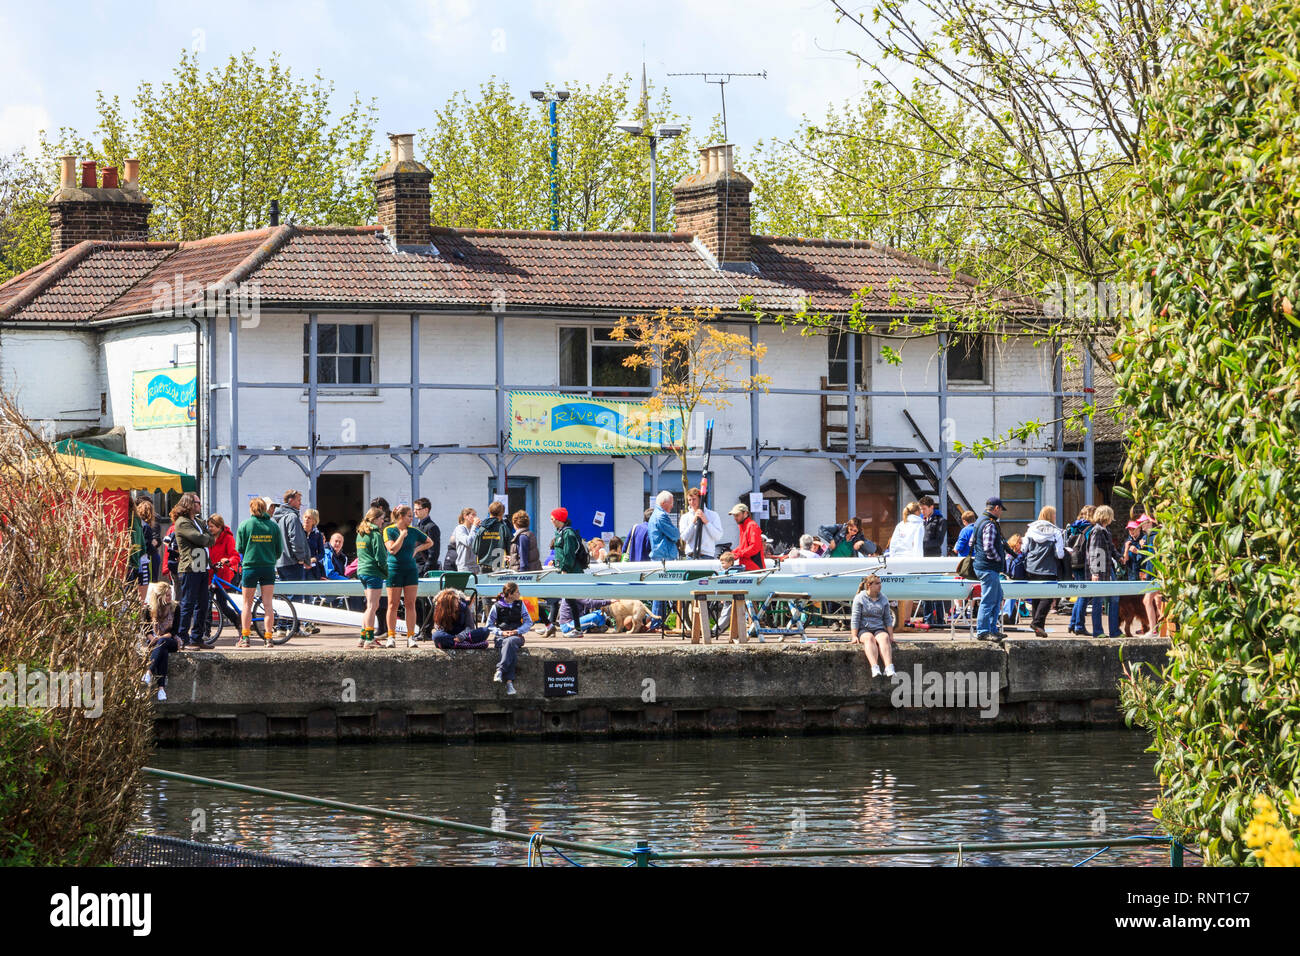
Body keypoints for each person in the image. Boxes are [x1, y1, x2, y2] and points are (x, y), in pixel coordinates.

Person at [234, 498, 282, 648]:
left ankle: (246, 638)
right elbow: (279, 550)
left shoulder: (244, 525)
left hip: (250, 568)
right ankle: (268, 638)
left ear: (251, 509)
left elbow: (239, 548)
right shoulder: (273, 527)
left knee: (247, 604)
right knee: (268, 604)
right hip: (268, 568)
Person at [385, 504, 433, 648]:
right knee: (392, 604)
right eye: (409, 516)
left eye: (412, 516)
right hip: (394, 569)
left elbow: (430, 542)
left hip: (410, 570)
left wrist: (417, 549)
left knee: (410, 604)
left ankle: (411, 635)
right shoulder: (389, 530)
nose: (412, 518)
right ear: (400, 517)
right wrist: (401, 536)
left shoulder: (413, 531)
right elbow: (392, 549)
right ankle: (391, 636)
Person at [170, 492, 212, 650]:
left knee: (203, 604)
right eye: (197, 502)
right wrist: (206, 536)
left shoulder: (199, 521)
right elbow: (201, 539)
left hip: (202, 565)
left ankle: (197, 638)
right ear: (189, 504)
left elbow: (211, 539)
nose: (200, 505)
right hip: (190, 566)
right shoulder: (182, 522)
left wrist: (206, 536)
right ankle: (183, 638)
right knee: (188, 603)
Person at [1022, 505, 1066, 637]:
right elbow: (1060, 554)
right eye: (1054, 515)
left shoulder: (1030, 530)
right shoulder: (1056, 532)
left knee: (1036, 597)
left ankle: (1038, 627)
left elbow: (1024, 549)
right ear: (1050, 516)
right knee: (1047, 598)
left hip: (1031, 567)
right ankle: (1037, 623)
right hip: (1048, 569)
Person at [972, 496, 1010, 643]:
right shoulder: (990, 524)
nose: (1001, 513)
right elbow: (988, 547)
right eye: (1001, 510)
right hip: (988, 568)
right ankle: (983, 631)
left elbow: (972, 542)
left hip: (982, 566)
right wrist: (999, 558)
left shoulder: (979, 521)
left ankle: (993, 629)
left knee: (998, 596)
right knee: (989, 599)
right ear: (996, 508)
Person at [543, 507, 585, 637]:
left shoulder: (568, 534)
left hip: (570, 572)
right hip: (564, 570)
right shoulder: (560, 532)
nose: (551, 521)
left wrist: (565, 570)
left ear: (558, 519)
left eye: (552, 518)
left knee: (571, 600)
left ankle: (576, 629)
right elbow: (561, 554)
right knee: (568, 599)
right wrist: (556, 563)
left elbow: (568, 554)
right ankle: (551, 626)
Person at [487, 582, 532, 695]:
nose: (519, 594)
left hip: (517, 636)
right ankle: (509, 683)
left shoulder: (520, 605)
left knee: (510, 641)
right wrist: (501, 632)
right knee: (509, 646)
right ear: (510, 594)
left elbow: (528, 622)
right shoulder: (496, 606)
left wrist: (518, 631)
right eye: (517, 592)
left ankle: (500, 670)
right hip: (501, 637)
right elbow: (489, 625)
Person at [1085, 505, 1122, 639]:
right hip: (1101, 571)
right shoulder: (1098, 531)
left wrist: (1119, 557)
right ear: (1107, 516)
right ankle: (1098, 632)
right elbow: (1095, 553)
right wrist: (1095, 572)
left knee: (1114, 599)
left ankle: (1114, 631)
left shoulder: (1105, 530)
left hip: (1107, 569)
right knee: (1098, 601)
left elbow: (1111, 548)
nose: (1112, 518)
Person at [354, 506, 388, 648]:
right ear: (375, 519)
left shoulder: (361, 533)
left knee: (369, 606)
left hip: (362, 571)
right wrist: (386, 571)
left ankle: (362, 637)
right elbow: (380, 556)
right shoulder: (375, 534)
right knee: (373, 606)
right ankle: (369, 639)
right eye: (381, 519)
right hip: (373, 572)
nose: (383, 522)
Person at [888, 501, 925, 628]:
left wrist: (892, 559)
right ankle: (906, 620)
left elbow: (893, 543)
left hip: (897, 560)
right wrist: (918, 564)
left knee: (899, 590)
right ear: (917, 512)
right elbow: (917, 544)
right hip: (911, 560)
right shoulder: (919, 525)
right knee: (909, 591)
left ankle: (897, 619)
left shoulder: (901, 524)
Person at [851, 574, 895, 678]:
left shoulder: (883, 598)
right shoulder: (860, 598)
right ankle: (874, 667)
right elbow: (855, 618)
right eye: (877, 583)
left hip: (878, 628)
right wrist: (854, 636)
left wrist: (891, 636)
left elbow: (887, 619)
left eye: (880, 583)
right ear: (869, 585)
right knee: (869, 638)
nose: (880, 585)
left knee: (884, 638)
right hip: (864, 629)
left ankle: (889, 667)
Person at [143, 582, 180, 700]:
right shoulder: (149, 609)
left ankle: (149, 672)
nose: (170, 597)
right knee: (162, 651)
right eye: (167, 595)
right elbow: (146, 630)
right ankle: (161, 689)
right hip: (154, 640)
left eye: (170, 594)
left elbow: (174, 631)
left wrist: (161, 637)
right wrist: (152, 638)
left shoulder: (176, 608)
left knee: (162, 643)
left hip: (170, 639)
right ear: (160, 596)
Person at [413, 497, 441, 639]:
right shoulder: (417, 526)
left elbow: (434, 551)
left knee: (425, 601)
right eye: (415, 509)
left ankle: (426, 629)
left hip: (425, 568)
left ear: (426, 510)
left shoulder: (431, 527)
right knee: (418, 600)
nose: (415, 512)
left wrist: (427, 568)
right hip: (416, 567)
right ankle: (421, 627)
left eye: (417, 509)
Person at [1066, 505, 1097, 634]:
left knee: (1080, 595)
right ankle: (1079, 625)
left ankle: (1073, 624)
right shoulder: (1090, 528)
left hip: (1074, 562)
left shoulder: (1074, 527)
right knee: (1084, 595)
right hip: (1084, 563)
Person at [918, 495, 946, 627]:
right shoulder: (920, 521)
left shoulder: (940, 520)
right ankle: (928, 619)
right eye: (921, 509)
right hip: (922, 558)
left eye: (924, 509)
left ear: (931, 507)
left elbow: (938, 541)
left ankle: (940, 619)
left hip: (933, 557)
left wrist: (921, 545)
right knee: (924, 588)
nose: (922, 511)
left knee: (937, 588)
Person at [273, 489, 313, 582]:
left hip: (280, 563)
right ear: (291, 500)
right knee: (296, 594)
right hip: (293, 563)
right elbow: (295, 540)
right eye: (298, 500)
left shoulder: (278, 518)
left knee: (286, 595)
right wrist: (301, 558)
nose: (300, 503)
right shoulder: (292, 517)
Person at [128, 497, 161, 601]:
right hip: (143, 560)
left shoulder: (133, 523)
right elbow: (146, 545)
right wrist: (153, 547)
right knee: (146, 587)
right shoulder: (145, 526)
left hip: (133, 560)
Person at [679, 486, 723, 558]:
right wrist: (693, 522)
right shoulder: (685, 517)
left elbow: (718, 536)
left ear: (700, 499)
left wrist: (706, 522)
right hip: (691, 555)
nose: (692, 502)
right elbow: (684, 537)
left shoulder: (713, 515)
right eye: (689, 500)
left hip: (707, 555)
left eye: (694, 499)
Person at [728, 502, 765, 571]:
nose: (735, 518)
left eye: (737, 515)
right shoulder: (743, 526)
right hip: (747, 567)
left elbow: (754, 547)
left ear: (745, 513)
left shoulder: (751, 525)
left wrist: (737, 554)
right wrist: (732, 554)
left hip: (754, 568)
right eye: (734, 515)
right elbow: (744, 547)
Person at [207, 514, 241, 586]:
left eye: (211, 526)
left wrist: (228, 561)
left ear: (219, 527)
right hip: (210, 574)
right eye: (208, 526)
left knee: (221, 596)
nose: (209, 529)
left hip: (223, 574)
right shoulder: (207, 538)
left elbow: (235, 556)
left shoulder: (228, 538)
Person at [477, 500, 511, 571]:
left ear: (490, 511)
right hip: (499, 566)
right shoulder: (503, 528)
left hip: (483, 565)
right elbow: (510, 546)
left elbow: (475, 549)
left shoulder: (481, 529)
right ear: (502, 513)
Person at [1001, 533, 1028, 624]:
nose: (1021, 545)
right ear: (1014, 543)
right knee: (1010, 593)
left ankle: (1005, 614)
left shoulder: (1021, 555)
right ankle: (1004, 614)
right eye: (1019, 542)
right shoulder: (1008, 554)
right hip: (1009, 579)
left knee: (1012, 593)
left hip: (1016, 580)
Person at [453, 507, 483, 574]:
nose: (475, 517)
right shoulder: (460, 528)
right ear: (465, 516)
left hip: (475, 566)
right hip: (465, 567)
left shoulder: (474, 529)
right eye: (473, 515)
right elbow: (468, 542)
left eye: (475, 515)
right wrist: (474, 526)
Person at [303, 508, 325, 580]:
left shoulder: (317, 535)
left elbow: (322, 553)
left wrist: (313, 559)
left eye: (309, 518)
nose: (306, 519)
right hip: (300, 566)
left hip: (312, 567)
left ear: (314, 521)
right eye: (305, 517)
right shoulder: (298, 532)